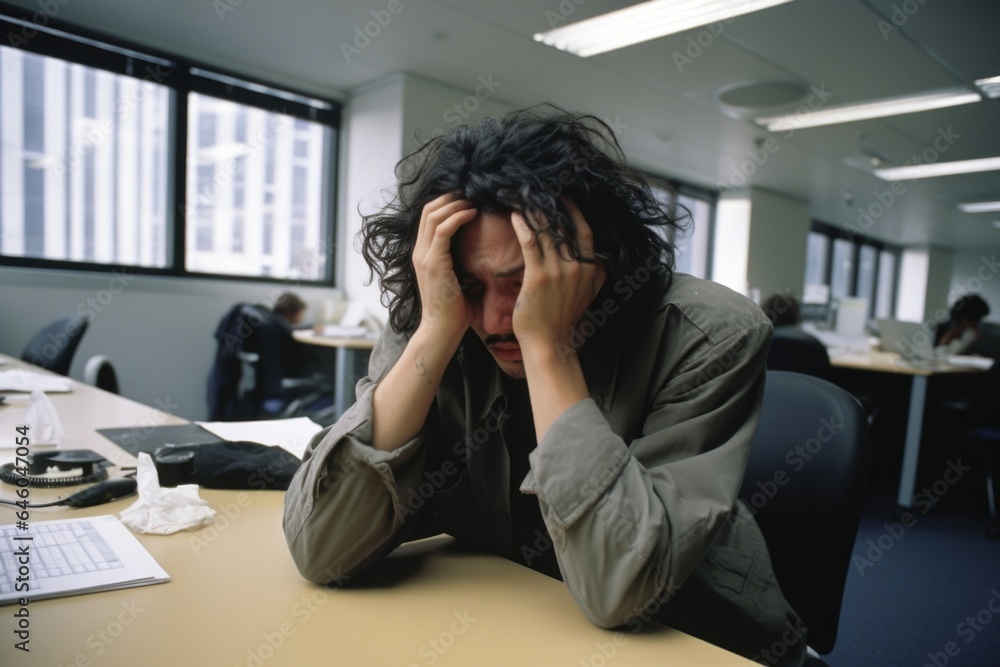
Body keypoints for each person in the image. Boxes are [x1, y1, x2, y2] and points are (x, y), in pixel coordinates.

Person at [282, 106, 806, 666]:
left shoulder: (709, 334)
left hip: (699, 640)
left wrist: (547, 347)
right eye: (470, 285)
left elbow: (623, 591)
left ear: (596, 260)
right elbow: (322, 549)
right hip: (523, 624)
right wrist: (434, 330)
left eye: (523, 280)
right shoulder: (438, 317)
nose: (494, 320)